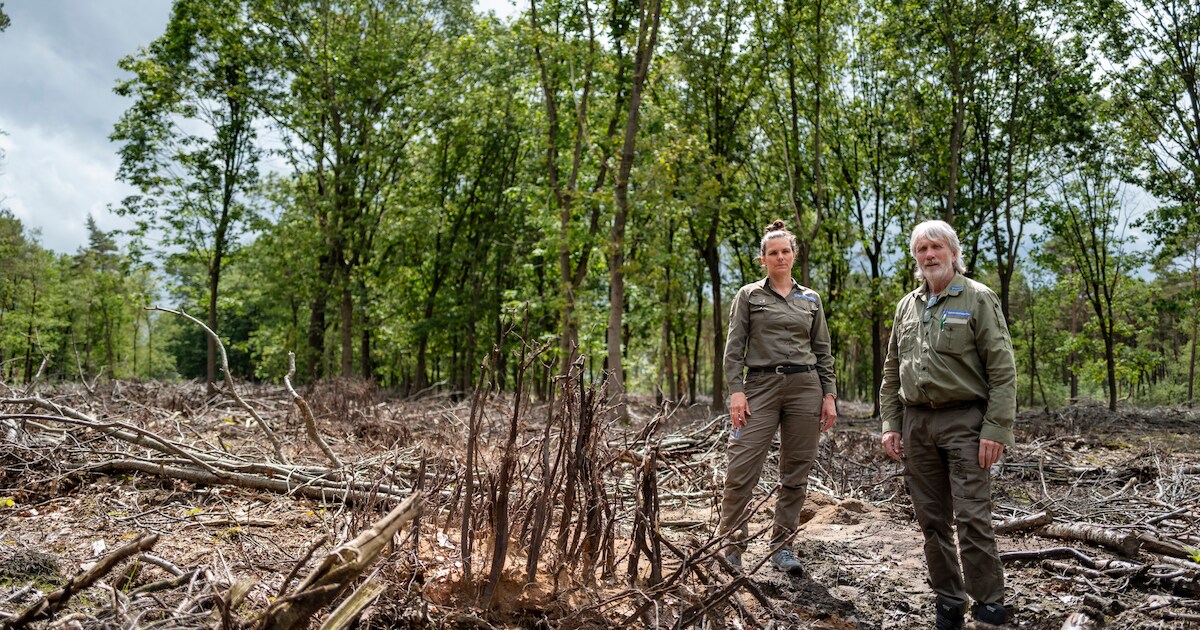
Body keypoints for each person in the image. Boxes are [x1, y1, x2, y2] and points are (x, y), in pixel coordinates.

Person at [879, 220, 1016, 629]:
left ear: (953, 253)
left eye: (936, 247)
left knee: (973, 516)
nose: (929, 255)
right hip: (917, 425)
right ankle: (949, 599)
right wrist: (891, 424)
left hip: (965, 422)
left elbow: (1003, 370)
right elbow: (891, 372)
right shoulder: (907, 306)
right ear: (916, 258)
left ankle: (989, 602)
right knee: (931, 519)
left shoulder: (978, 298)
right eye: (922, 249)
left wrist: (996, 428)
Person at [719, 219, 838, 576]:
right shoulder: (749, 296)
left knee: (796, 472)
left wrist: (829, 394)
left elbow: (823, 350)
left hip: (806, 388)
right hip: (760, 387)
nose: (780, 257)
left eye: (786, 251)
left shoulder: (810, 298)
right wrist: (735, 390)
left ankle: (782, 546)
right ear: (763, 259)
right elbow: (733, 347)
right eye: (773, 252)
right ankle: (731, 545)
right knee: (741, 466)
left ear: (794, 254)